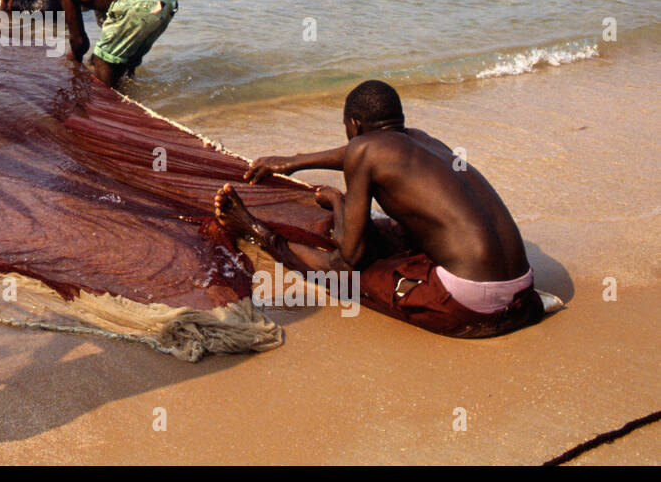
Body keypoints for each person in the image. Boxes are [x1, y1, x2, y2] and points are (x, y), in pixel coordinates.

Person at [215, 80, 546, 338]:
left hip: (471, 308)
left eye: (349, 132)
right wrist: (293, 163)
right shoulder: (424, 140)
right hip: (523, 289)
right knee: (393, 232)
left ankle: (254, 230)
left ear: (355, 126)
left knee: (347, 270)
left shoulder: (364, 150)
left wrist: (334, 202)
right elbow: (357, 152)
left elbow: (347, 259)